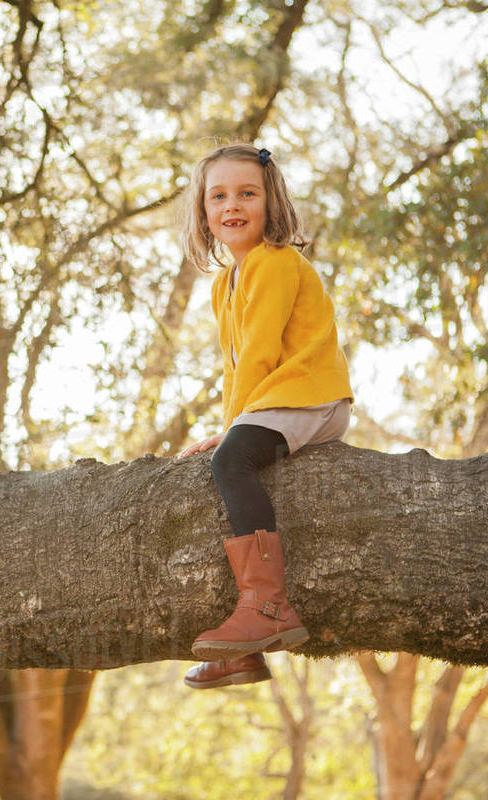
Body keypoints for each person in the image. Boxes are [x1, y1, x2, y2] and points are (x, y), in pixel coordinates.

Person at [175, 143, 354, 690]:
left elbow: (258, 356)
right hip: (276, 399)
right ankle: (243, 651)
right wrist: (228, 423)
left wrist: (235, 432)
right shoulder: (224, 284)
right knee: (222, 467)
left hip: (311, 396)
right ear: (204, 213)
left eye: (247, 193)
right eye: (219, 196)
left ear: (270, 203)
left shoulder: (275, 263)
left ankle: (268, 606)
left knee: (232, 464)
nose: (232, 205)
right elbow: (236, 371)